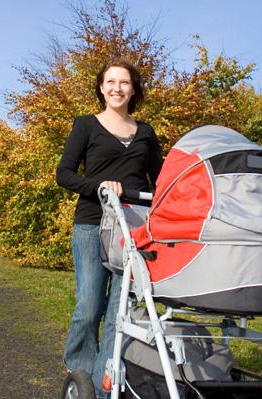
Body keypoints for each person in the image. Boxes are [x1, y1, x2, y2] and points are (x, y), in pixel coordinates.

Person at [56, 58, 163, 397]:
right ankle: (81, 374)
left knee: (120, 314)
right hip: (92, 224)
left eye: (125, 83)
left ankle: (105, 386)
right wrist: (101, 186)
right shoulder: (86, 125)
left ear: (134, 89)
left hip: (132, 230)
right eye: (111, 82)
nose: (117, 88)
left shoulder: (146, 132)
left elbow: (160, 183)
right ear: (101, 88)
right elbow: (65, 174)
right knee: (89, 308)